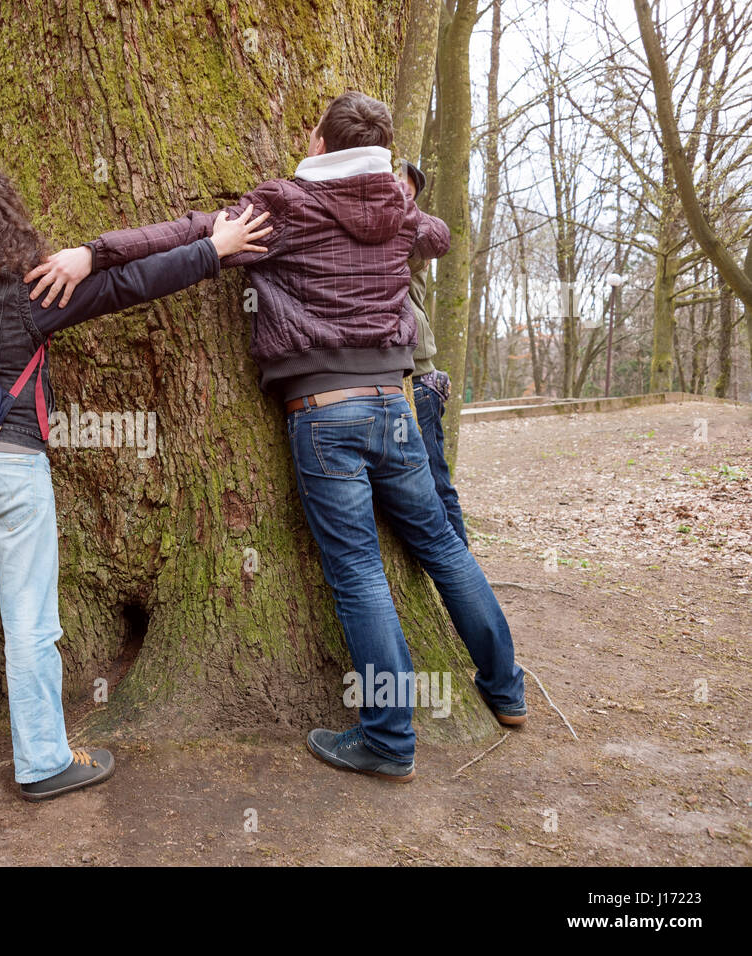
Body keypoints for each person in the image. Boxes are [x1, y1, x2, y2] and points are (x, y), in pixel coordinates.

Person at [27, 92, 527, 783]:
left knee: (359, 571)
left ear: (320, 142)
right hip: (394, 404)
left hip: (325, 410)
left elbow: (187, 230)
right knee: (441, 543)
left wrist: (92, 252)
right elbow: (436, 236)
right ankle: (505, 689)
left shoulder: (287, 204)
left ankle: (390, 738)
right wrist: (403, 200)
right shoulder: (398, 212)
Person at [0, 157, 271, 801]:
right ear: (6, 218)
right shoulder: (27, 289)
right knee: (29, 620)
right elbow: (133, 284)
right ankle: (42, 761)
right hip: (10, 466)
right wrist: (214, 249)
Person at [398, 160, 468, 548]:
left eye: (406, 194)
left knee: (435, 480)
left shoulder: (416, 238)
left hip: (419, 377)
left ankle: (463, 566)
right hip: (389, 377)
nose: (397, 199)